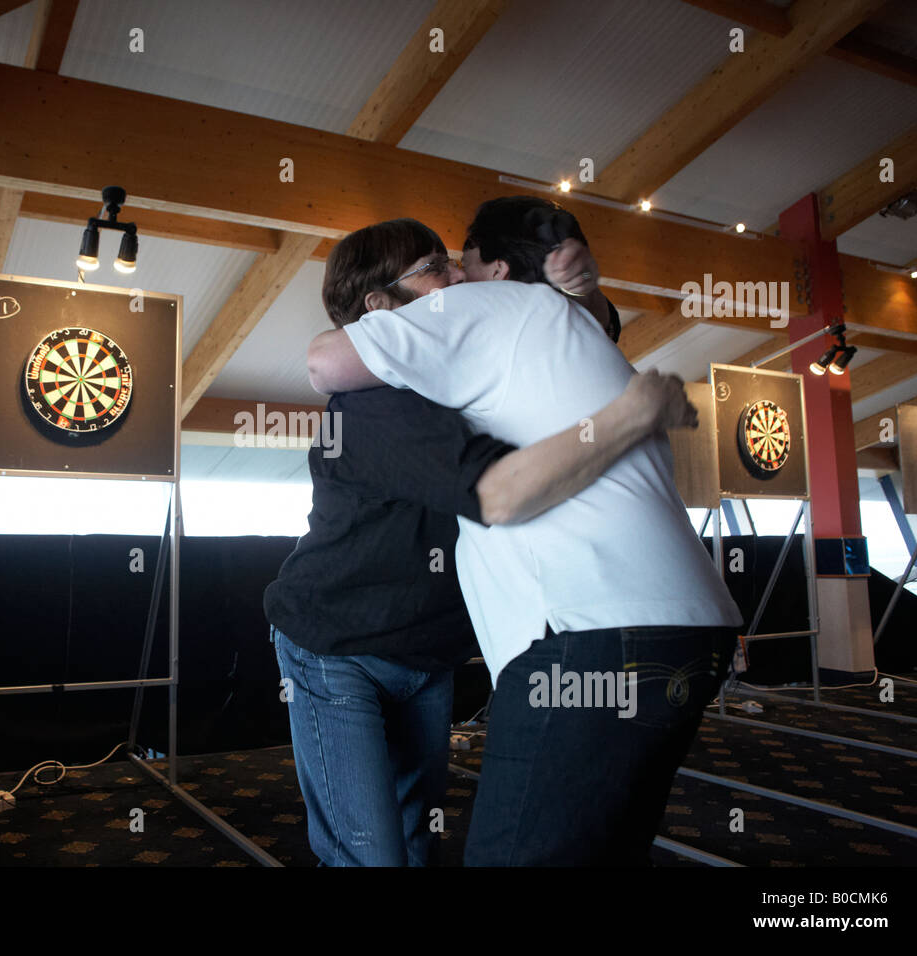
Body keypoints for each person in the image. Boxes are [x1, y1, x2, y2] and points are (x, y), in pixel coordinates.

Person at [307, 199, 743, 865]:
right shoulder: (373, 402)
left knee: (430, 837)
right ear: (377, 307)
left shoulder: (475, 349)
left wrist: (581, 297)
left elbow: (560, 334)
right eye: (432, 269)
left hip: (445, 646)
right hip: (340, 639)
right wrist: (629, 410)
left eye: (457, 263)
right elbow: (497, 492)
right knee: (372, 852)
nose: (456, 281)